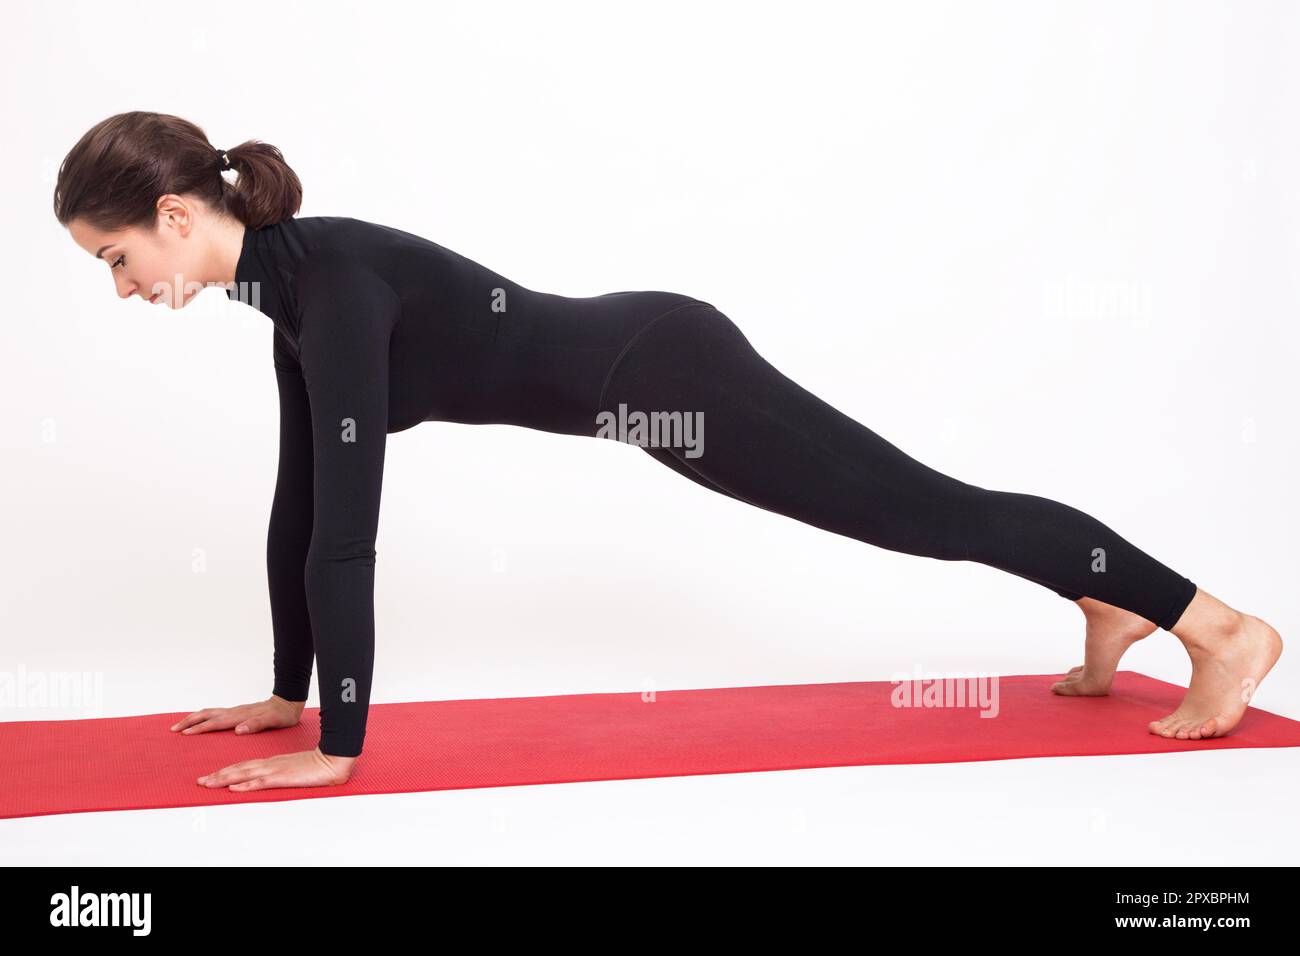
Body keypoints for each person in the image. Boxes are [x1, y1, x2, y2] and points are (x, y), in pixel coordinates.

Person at [53, 112, 1283, 792]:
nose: (120, 289)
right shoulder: (293, 287)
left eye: (114, 259)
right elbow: (298, 499)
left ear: (172, 214)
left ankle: (1212, 625)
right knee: (924, 508)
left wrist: (338, 743)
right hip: (640, 362)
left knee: (921, 512)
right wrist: (286, 687)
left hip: (660, 377)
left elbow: (346, 532)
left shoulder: (335, 289)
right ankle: (1102, 598)